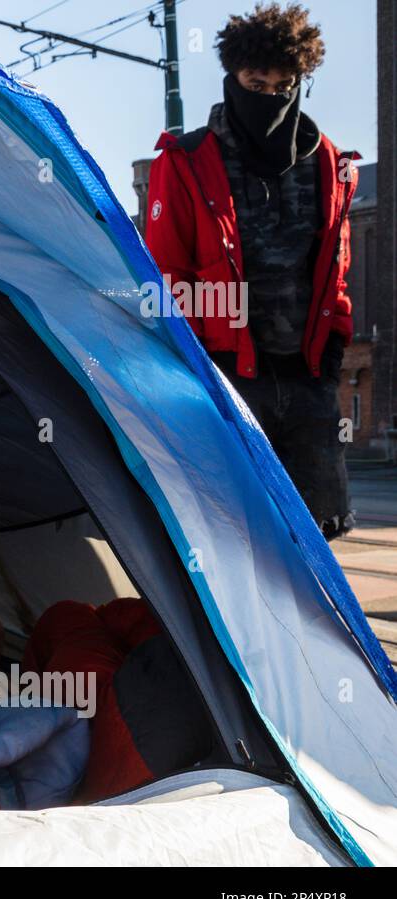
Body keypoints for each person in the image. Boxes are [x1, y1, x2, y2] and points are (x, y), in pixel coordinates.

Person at [144, 2, 360, 539]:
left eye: (284, 85)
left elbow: (335, 270)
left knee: (318, 534)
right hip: (228, 378)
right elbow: (170, 274)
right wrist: (197, 371)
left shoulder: (329, 162)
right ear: (232, 77)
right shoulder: (187, 159)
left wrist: (331, 359)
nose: (270, 97)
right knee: (233, 533)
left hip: (307, 379)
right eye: (255, 82)